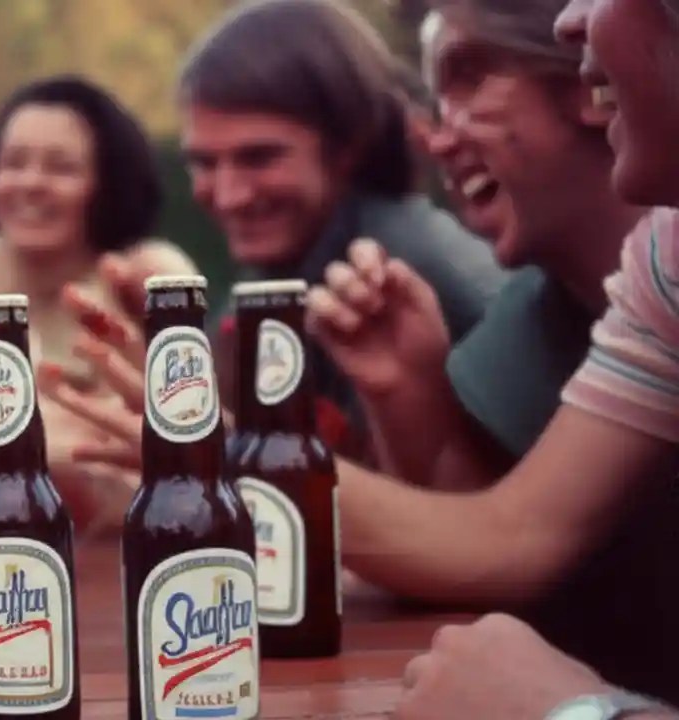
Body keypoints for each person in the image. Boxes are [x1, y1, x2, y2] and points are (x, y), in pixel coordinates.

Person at [41, 0, 679, 703]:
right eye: (204, 162)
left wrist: (578, 713)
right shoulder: (637, 272)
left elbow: (498, 556)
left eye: (258, 156)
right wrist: (407, 398)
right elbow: (500, 535)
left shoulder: (433, 267)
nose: (432, 137)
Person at [175, 0, 507, 459]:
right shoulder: (278, 274)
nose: (229, 195)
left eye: (259, 158)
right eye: (203, 163)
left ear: (349, 143)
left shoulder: (425, 275)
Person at [0, 75, 198, 532]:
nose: (30, 183)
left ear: (107, 183)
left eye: (61, 168)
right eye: (12, 163)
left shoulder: (150, 274)